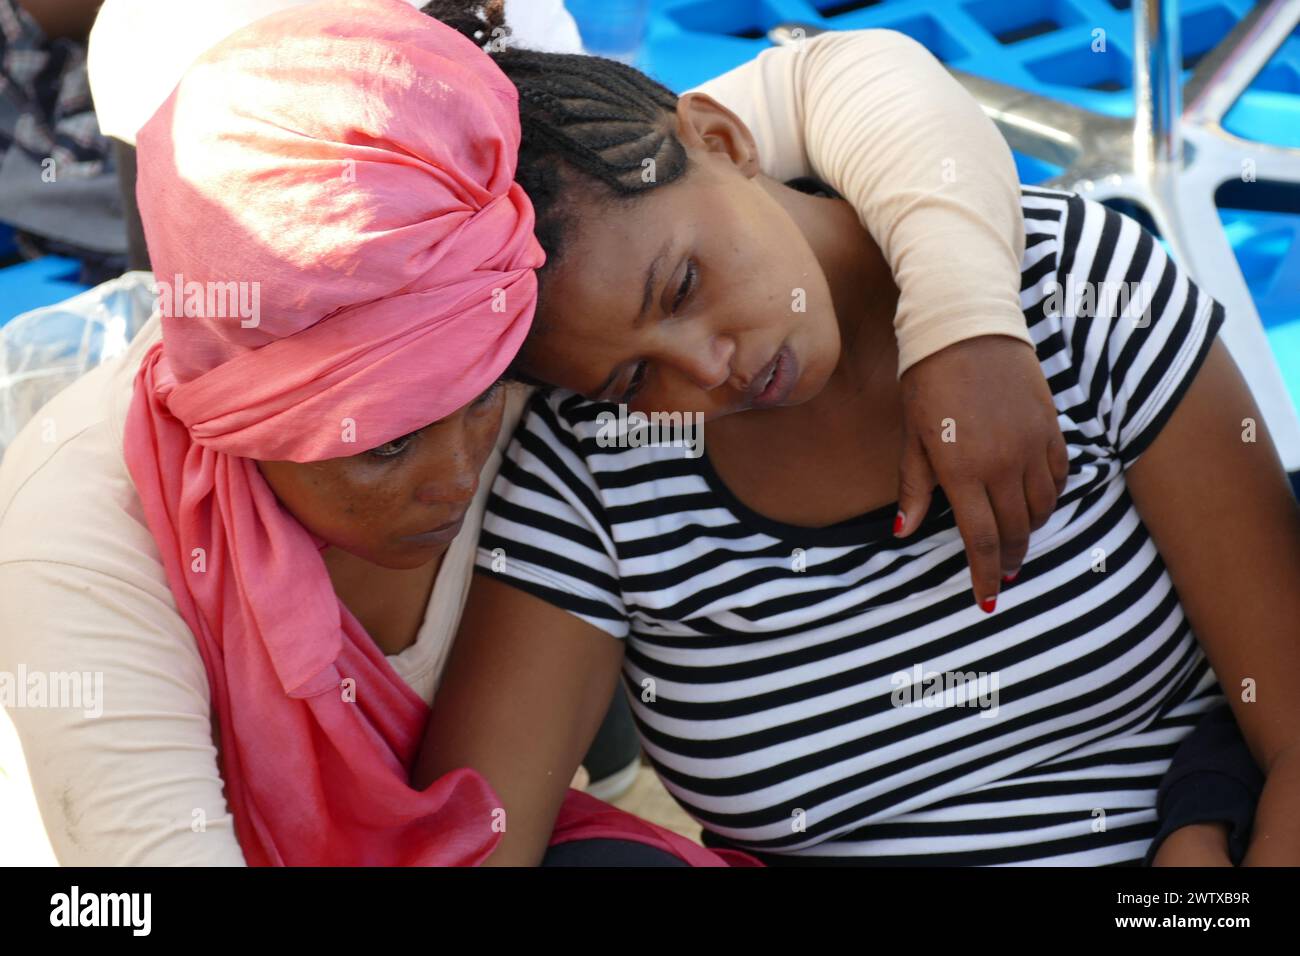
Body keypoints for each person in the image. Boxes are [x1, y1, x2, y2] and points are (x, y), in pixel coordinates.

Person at [0, 0, 1064, 864]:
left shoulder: (497, 264)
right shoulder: (86, 535)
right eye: (382, 442)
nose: (460, 472)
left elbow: (836, 79)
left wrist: (962, 321)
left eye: (484, 394)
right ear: (247, 405)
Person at [413, 2, 1300, 866]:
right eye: (633, 378)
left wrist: (968, 323)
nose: (707, 368)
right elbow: (473, 842)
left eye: (681, 285)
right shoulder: (593, 466)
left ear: (723, 138)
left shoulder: (1079, 295)